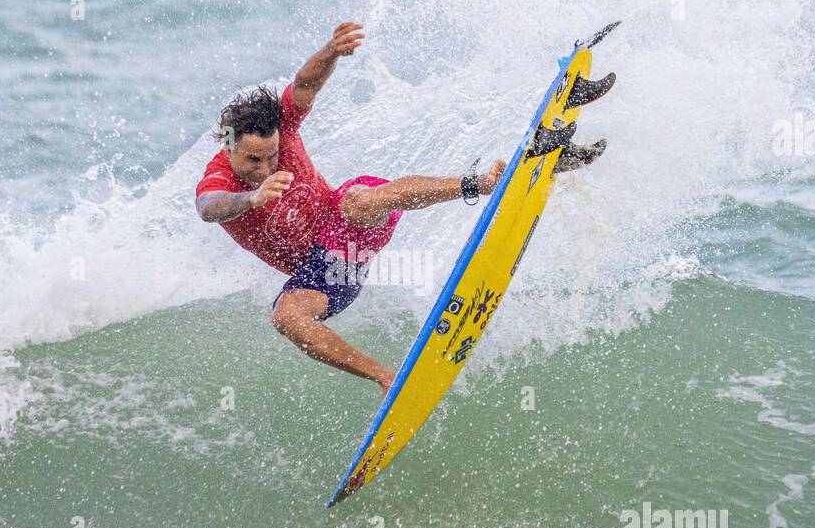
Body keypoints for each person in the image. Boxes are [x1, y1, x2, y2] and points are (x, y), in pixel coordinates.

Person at [195, 21, 600, 397]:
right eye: (253, 161)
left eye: (272, 157)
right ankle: (388, 379)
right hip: (330, 271)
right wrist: (251, 197)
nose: (265, 168)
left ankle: (486, 182)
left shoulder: (285, 124)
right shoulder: (219, 181)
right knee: (286, 317)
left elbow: (304, 85)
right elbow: (208, 208)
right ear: (229, 145)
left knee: (356, 201)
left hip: (344, 218)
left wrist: (332, 51)